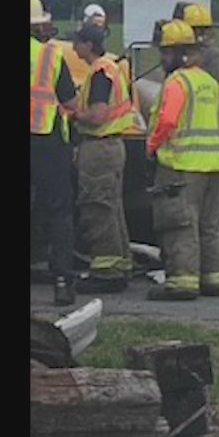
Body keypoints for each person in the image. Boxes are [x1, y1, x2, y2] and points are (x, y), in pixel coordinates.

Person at [144, 20, 219, 301]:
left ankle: (182, 282)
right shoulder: (209, 81)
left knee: (179, 225)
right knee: (208, 225)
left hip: (181, 165)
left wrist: (153, 146)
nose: (162, 59)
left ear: (179, 54)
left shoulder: (177, 82)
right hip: (213, 166)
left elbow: (168, 119)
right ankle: (212, 278)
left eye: (166, 53)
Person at [70, 22, 138, 293]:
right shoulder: (112, 67)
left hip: (99, 147)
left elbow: (97, 115)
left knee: (98, 207)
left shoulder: (100, 71)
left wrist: (74, 114)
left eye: (77, 42)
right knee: (112, 207)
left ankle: (106, 272)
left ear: (88, 44)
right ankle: (120, 264)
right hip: (113, 146)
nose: (74, 46)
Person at [30, 0, 83, 306]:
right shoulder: (51, 57)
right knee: (58, 211)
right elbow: (71, 104)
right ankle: (62, 282)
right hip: (47, 141)